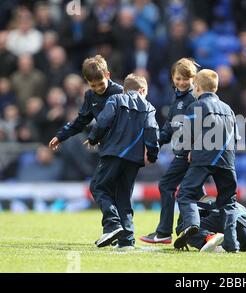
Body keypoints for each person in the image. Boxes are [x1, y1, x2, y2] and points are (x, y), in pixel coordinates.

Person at [86, 73, 159, 249]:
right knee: (124, 196)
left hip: (113, 154)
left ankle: (112, 225)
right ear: (142, 90)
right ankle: (127, 239)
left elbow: (103, 121)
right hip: (133, 159)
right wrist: (152, 154)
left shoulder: (116, 99)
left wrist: (93, 138)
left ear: (126, 89)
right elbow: (152, 130)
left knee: (98, 187)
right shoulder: (148, 106)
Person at [174, 69, 240, 253]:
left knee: (185, 194)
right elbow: (236, 138)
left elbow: (186, 135)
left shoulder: (196, 107)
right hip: (227, 159)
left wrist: (187, 151)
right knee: (228, 202)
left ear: (197, 87)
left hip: (204, 156)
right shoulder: (229, 109)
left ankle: (192, 225)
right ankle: (232, 245)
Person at [140, 58, 200, 245]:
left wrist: (192, 149)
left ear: (194, 78)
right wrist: (154, 143)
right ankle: (204, 232)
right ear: (173, 78)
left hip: (188, 155)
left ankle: (165, 231)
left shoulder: (193, 99)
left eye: (186, 79)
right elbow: (169, 127)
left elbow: (200, 128)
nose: (182, 82)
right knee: (197, 193)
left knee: (166, 185)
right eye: (178, 78)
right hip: (184, 153)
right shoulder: (177, 97)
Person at [48, 55, 123, 151]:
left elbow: (107, 119)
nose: (98, 88)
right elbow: (80, 121)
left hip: (124, 145)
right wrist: (60, 136)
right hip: (106, 146)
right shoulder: (90, 96)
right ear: (87, 82)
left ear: (107, 75)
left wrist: (93, 137)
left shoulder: (121, 92)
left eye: (101, 83)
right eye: (93, 85)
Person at [175, 196, 246, 252]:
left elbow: (190, 226)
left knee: (192, 231)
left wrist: (185, 237)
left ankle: (209, 238)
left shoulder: (194, 205)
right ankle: (223, 245)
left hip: (225, 217)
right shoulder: (219, 200)